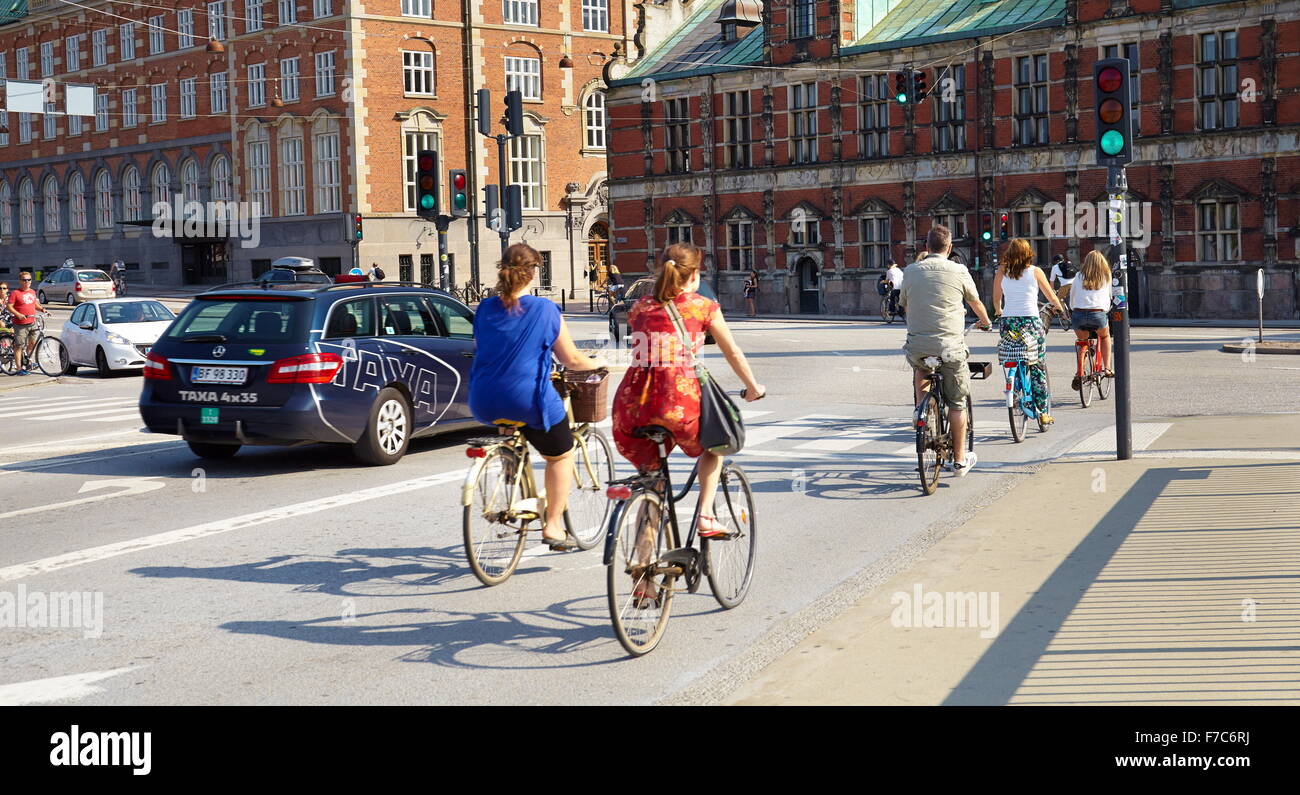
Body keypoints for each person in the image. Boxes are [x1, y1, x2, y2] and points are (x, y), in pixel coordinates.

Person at [611, 243, 765, 604]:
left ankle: (644, 574)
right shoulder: (701, 306)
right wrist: (754, 387)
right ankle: (707, 514)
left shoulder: (640, 307)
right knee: (716, 444)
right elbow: (732, 351)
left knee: (653, 487)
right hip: (676, 402)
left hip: (632, 407)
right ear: (694, 275)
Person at [468, 243, 604, 551]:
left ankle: (510, 466)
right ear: (534, 273)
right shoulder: (545, 309)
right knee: (561, 455)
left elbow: (486, 345)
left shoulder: (485, 308)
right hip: (527, 399)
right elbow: (571, 360)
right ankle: (553, 525)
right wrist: (597, 362)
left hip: (483, 398)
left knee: (509, 422)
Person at [899, 225, 992, 476]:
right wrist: (986, 322)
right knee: (958, 402)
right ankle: (960, 460)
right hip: (950, 347)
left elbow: (905, 306)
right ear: (949, 248)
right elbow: (975, 302)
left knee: (921, 368)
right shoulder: (959, 270)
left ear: (926, 247)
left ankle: (922, 411)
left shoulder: (910, 271)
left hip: (919, 345)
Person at [993, 238, 1066, 426]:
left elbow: (996, 299)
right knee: (1037, 365)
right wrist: (1061, 310)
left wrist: (999, 312)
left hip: (1008, 322)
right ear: (1028, 254)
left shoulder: (1001, 271)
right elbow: (1050, 295)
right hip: (1031, 323)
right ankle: (1042, 412)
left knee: (1012, 355)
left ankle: (1014, 382)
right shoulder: (1035, 271)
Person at [1070, 250, 1114, 387]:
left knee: (1082, 341)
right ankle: (1107, 368)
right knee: (1105, 337)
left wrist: (1074, 308)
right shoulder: (1106, 276)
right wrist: (1106, 310)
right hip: (1098, 314)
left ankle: (1080, 371)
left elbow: (1072, 296)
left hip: (1078, 315)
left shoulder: (1078, 276)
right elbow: (1109, 296)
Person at [6, 271, 45, 376]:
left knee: (32, 343)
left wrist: (42, 309)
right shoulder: (15, 293)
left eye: (29, 279)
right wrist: (18, 314)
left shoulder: (32, 291)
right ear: (20, 281)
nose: (27, 282)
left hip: (32, 322)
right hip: (20, 324)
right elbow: (9, 306)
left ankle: (27, 362)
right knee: (19, 346)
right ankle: (19, 368)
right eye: (24, 280)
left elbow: (34, 303)